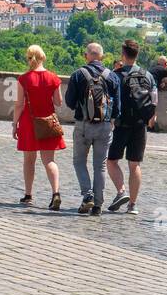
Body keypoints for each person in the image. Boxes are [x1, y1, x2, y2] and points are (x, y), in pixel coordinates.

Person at [64, 41, 121, 215]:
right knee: (100, 166)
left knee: (79, 161)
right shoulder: (112, 76)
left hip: (83, 124)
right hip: (104, 126)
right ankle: (98, 205)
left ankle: (87, 194)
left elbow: (70, 102)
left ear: (86, 56)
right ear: (102, 56)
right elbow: (118, 108)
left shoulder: (77, 75)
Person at [107, 39, 156, 215]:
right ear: (137, 54)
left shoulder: (115, 75)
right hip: (140, 125)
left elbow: (110, 100)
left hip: (121, 124)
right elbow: (154, 98)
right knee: (134, 165)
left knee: (112, 161)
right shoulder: (147, 75)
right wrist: (151, 116)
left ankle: (121, 191)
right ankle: (133, 205)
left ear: (123, 54)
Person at [12, 43, 64, 210]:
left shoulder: (23, 79)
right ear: (43, 57)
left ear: (29, 59)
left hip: (29, 122)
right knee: (49, 160)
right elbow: (58, 102)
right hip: (47, 121)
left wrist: (15, 124)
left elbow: (19, 104)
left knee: (29, 160)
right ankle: (56, 193)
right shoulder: (53, 78)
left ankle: (28, 195)